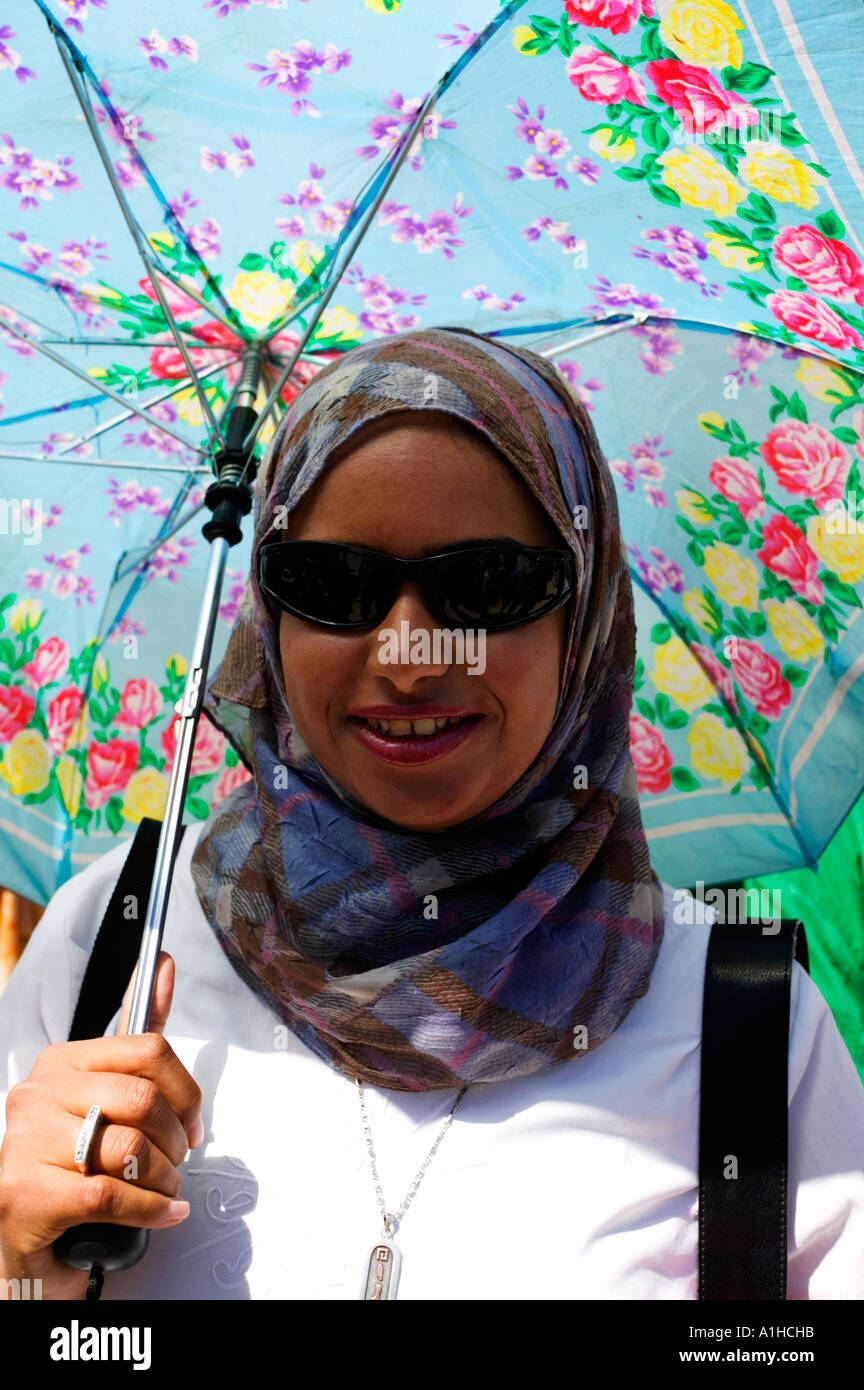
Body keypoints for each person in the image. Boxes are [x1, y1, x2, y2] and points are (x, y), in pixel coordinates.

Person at [0, 326, 862, 1301]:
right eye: (332, 585)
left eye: (485, 585)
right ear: (265, 611)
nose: (408, 658)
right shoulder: (108, 948)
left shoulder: (746, 1024)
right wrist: (30, 1280)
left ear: (584, 614)